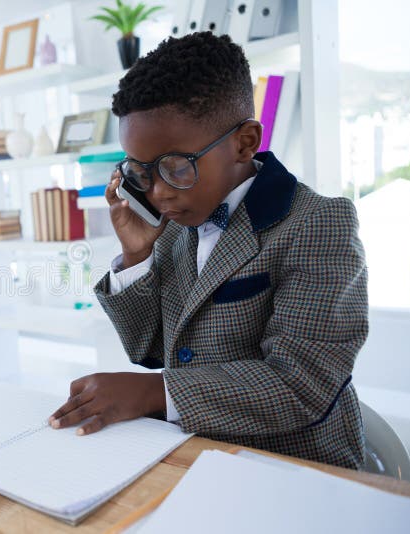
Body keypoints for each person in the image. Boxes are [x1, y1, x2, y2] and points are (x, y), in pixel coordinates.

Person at [48, 32, 368, 469]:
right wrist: (137, 258)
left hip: (297, 467)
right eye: (140, 172)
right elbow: (152, 349)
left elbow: (300, 385)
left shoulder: (318, 224)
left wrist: (153, 391)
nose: (157, 192)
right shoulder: (180, 225)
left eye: (175, 167)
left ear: (245, 142)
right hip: (199, 452)